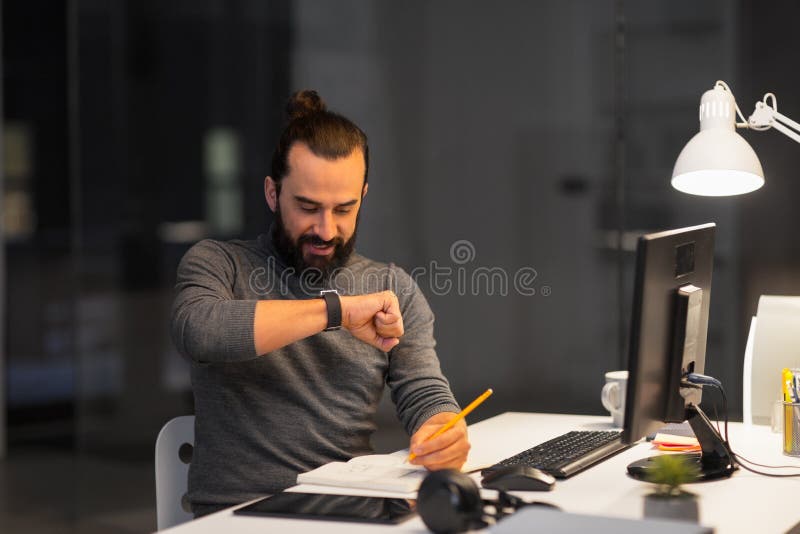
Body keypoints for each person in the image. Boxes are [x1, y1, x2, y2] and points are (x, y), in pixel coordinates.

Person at [171, 89, 470, 516]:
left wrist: (441, 427)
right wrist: (338, 312)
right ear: (273, 194)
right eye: (308, 207)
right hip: (240, 517)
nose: (326, 230)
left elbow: (422, 388)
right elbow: (199, 331)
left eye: (343, 209)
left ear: (363, 196)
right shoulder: (220, 265)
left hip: (352, 512)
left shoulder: (392, 288)